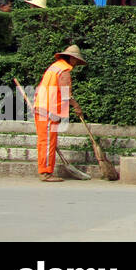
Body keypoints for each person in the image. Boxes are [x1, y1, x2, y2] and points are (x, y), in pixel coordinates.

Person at [34, 44, 87, 182]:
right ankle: (45, 173)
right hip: (48, 110)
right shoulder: (64, 71)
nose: (76, 64)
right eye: (75, 60)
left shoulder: (54, 67)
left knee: (45, 142)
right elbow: (66, 95)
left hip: (43, 108)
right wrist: (77, 107)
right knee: (47, 143)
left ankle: (45, 170)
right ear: (70, 58)